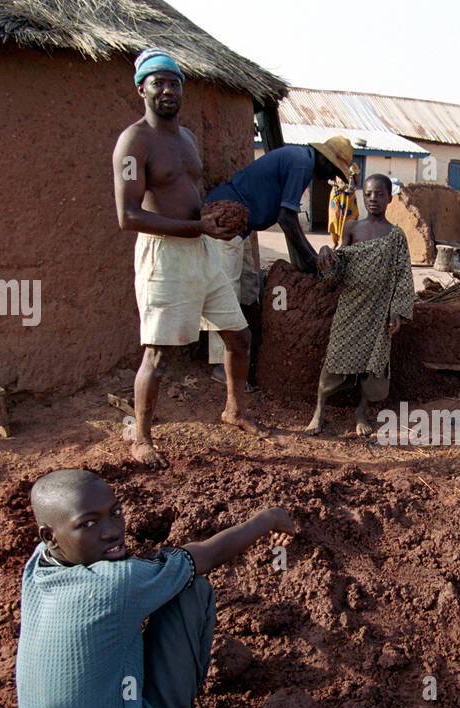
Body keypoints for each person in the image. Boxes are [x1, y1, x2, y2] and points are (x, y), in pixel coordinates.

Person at [0, 469, 296, 708]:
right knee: (190, 591)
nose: (112, 531)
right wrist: (269, 518)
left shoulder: (36, 568)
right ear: (50, 536)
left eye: (115, 512)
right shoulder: (117, 583)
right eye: (88, 523)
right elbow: (208, 555)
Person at [112, 49, 263, 470]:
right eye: (157, 82)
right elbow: (128, 217)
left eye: (174, 82)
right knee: (158, 356)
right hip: (165, 255)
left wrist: (214, 218)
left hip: (201, 250)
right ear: (141, 88)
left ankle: (234, 410)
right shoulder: (133, 141)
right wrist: (199, 228)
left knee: (238, 335)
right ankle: (140, 437)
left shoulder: (188, 138)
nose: (167, 90)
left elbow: (189, 196)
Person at [203, 136, 355, 377]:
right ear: (325, 160)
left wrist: (311, 257)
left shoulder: (300, 160)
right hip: (224, 221)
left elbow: (289, 218)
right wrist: (311, 259)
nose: (331, 177)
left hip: (241, 227)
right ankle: (220, 363)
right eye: (334, 170)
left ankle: (243, 352)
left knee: (249, 286)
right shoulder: (302, 164)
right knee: (226, 289)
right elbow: (286, 219)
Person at [305, 174, 414, 437]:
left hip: (379, 312)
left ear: (389, 198)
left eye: (379, 194)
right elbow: (341, 262)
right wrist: (325, 254)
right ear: (362, 196)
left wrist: (396, 310)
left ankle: (361, 411)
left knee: (372, 364)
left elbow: (403, 275)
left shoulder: (396, 236)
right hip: (351, 307)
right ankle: (319, 411)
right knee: (335, 356)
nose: (373, 198)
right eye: (368, 194)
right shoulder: (352, 227)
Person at [327, 162, 361, 248]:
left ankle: (345, 242)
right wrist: (338, 185)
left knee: (349, 219)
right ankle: (334, 242)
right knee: (334, 218)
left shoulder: (353, 166)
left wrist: (353, 187)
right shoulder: (335, 163)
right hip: (336, 195)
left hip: (348, 198)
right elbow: (329, 180)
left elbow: (357, 182)